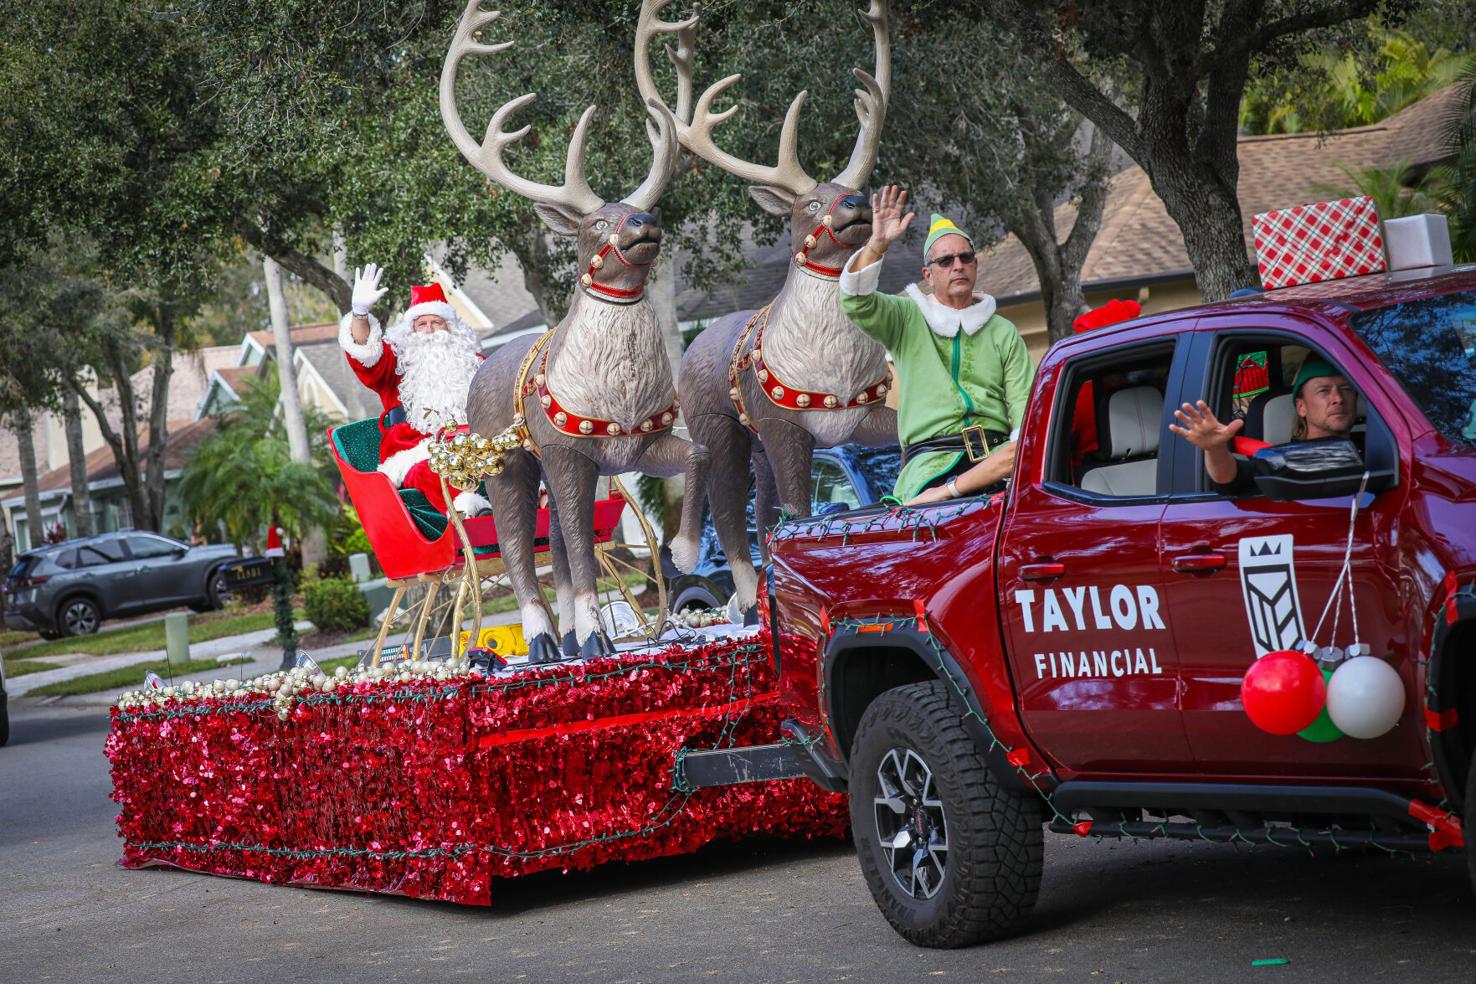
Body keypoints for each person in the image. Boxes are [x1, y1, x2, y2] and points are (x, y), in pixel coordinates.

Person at [839, 185, 1033, 504]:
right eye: (946, 261)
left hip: (1000, 465)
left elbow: (1024, 405)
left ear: (975, 265)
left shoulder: (1003, 331)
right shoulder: (906, 317)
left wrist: (1014, 458)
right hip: (928, 470)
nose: (957, 265)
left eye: (965, 257)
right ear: (928, 275)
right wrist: (877, 245)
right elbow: (855, 301)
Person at [338, 263, 490, 515]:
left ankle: (545, 512)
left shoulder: (473, 364)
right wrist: (360, 313)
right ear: (411, 329)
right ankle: (472, 515)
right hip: (417, 453)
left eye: (436, 322)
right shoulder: (396, 364)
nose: (429, 331)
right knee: (433, 470)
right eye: (422, 324)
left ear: (450, 328)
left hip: (475, 445)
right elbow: (365, 355)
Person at [1170, 356, 1357, 493]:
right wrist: (1215, 449)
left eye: (1346, 389)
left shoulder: (1379, 444)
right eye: (1324, 391)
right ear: (1301, 407)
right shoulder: (1286, 459)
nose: (1338, 399)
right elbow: (1230, 479)